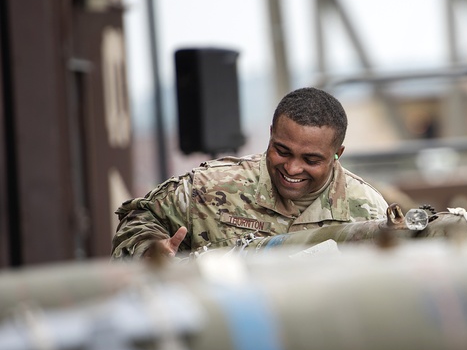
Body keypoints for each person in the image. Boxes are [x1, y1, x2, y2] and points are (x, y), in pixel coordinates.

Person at [112, 87, 389, 258]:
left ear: (337, 154)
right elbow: (138, 217)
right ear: (270, 135)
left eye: (311, 159)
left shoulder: (369, 210)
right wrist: (148, 250)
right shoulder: (209, 188)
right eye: (282, 150)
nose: (292, 168)